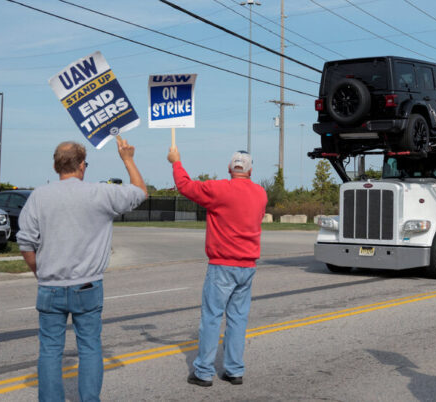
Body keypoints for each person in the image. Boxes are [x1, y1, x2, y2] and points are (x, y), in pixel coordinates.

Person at [17, 136, 147, 402]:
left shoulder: (39, 196)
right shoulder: (101, 193)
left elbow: (26, 243)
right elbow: (140, 192)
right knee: (89, 347)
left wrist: (39, 273)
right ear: (82, 166)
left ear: (56, 168)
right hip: (88, 285)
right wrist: (128, 159)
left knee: (50, 351)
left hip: (50, 286)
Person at [167, 146, 267, 387]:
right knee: (238, 319)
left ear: (229, 169)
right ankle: (234, 370)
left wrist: (176, 162)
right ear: (250, 170)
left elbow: (185, 186)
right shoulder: (260, 193)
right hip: (247, 266)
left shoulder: (219, 189)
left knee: (212, 318)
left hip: (222, 264)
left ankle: (203, 372)